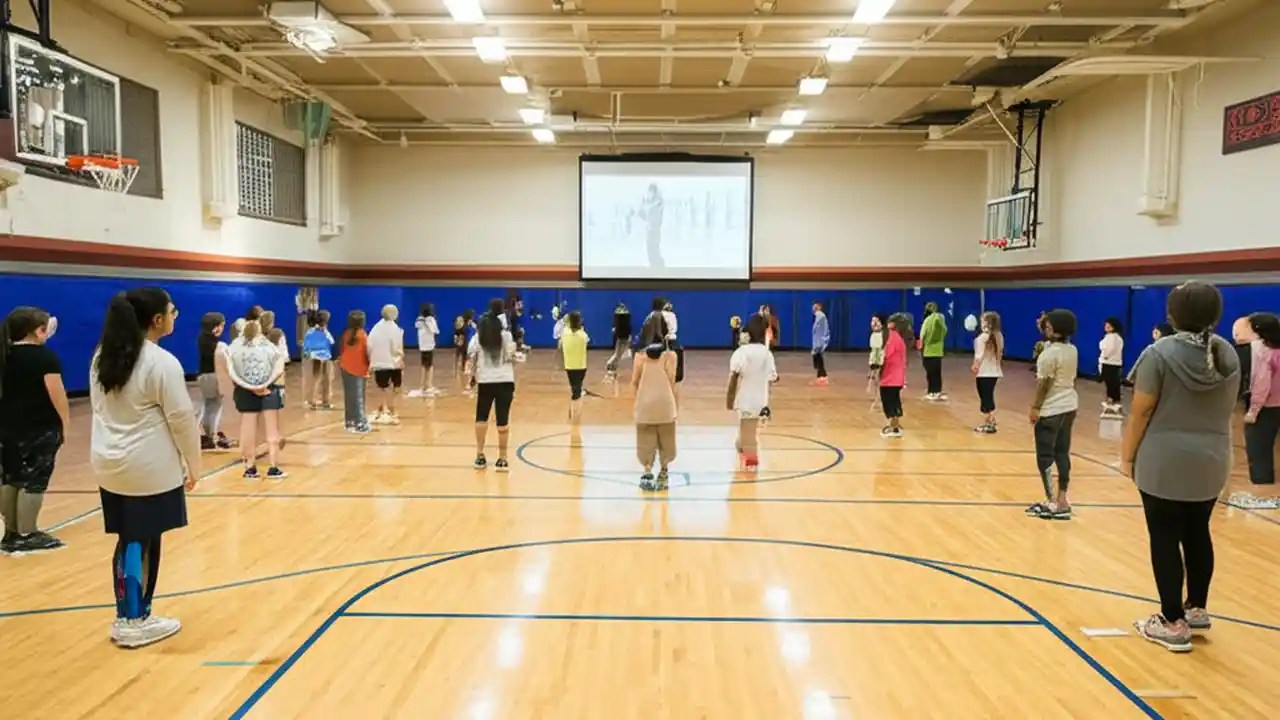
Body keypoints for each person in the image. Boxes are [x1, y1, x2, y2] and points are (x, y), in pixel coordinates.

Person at [1121, 281, 1239, 653]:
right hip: (1213, 458)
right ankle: (1197, 609)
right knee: (1198, 531)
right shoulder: (1228, 353)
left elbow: (1141, 411)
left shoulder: (1157, 353)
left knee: (1164, 536)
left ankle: (1172, 621)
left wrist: (1127, 457)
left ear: (1172, 314)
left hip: (1164, 460)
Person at [89, 287, 200, 649]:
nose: (175, 317)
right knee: (143, 539)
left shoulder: (102, 356)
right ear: (157, 320)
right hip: (147, 467)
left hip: (109, 462)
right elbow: (182, 418)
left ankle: (128, 615)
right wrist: (194, 463)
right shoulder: (160, 362)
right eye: (172, 311)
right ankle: (135, 619)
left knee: (129, 537)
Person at [0, 307, 70, 554]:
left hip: (6, 428)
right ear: (38, 331)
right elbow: (57, 396)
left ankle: (10, 532)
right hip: (40, 428)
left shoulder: (4, 355)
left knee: (11, 478)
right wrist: (65, 425)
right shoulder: (45, 358)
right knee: (35, 480)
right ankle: (27, 533)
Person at [1027, 309, 1079, 520]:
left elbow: (1044, 384)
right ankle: (1062, 499)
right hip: (1069, 406)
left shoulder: (1048, 355)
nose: (1045, 329)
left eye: (1048, 327)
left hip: (1051, 409)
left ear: (1055, 331)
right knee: (1062, 453)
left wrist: (1035, 407)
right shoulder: (1071, 349)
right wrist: (1045, 323)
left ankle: (1052, 501)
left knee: (1045, 456)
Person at [227, 321, 286, 480]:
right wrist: (264, 384)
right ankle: (273, 467)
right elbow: (279, 368)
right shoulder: (269, 347)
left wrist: (249, 386)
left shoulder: (234, 347)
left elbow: (231, 370)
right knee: (272, 430)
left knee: (248, 429)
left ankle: (250, 468)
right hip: (269, 390)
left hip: (244, 391)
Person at [468, 299, 517, 471]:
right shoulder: (507, 336)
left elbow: (471, 356)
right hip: (505, 381)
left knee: (481, 417)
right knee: (503, 420)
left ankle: (480, 456)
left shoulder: (478, 337)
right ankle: (502, 459)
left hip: (485, 381)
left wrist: (472, 376)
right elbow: (511, 357)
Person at [633, 314, 678, 491]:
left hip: (645, 402)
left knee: (645, 437)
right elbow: (672, 380)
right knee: (666, 438)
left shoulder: (640, 356)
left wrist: (637, 401)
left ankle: (647, 471)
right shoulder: (671, 356)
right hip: (665, 403)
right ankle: (664, 472)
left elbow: (634, 382)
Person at [728, 315, 778, 471]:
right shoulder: (767, 354)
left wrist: (729, 399)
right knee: (747, 428)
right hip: (761, 399)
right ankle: (742, 447)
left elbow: (734, 375)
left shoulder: (741, 352)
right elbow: (773, 376)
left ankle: (751, 460)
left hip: (745, 398)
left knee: (748, 430)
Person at [1243, 312, 1280, 487]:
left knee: (1259, 449)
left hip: (1267, 408)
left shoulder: (1262, 351)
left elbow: (1261, 385)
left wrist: (1253, 411)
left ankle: (1263, 491)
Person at [196, 312, 233, 451]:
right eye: (221, 325)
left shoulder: (201, 339)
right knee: (215, 408)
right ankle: (212, 436)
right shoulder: (219, 346)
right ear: (215, 327)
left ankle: (208, 435)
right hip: (215, 377)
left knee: (207, 406)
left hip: (203, 376)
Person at [368, 304, 405, 425]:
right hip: (393, 362)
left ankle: (383, 408)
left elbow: (369, 345)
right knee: (395, 386)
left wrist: (371, 360)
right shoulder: (395, 329)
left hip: (379, 363)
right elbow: (396, 347)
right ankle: (390, 409)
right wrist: (400, 357)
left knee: (382, 387)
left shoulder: (375, 328)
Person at [339, 311, 372, 434]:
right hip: (358, 369)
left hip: (345, 367)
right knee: (358, 397)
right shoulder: (362, 335)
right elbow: (366, 353)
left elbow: (342, 350)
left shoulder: (346, 333)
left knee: (349, 396)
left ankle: (350, 422)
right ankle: (360, 423)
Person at [972, 311, 1004, 434]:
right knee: (989, 396)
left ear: (987, 323)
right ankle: (991, 420)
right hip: (994, 372)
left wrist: (975, 365)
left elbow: (979, 355)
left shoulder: (982, 338)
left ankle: (988, 424)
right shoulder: (999, 336)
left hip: (984, 372)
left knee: (984, 397)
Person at [879, 313, 909, 438]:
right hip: (895, 376)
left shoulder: (893, 337)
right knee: (893, 400)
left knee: (890, 401)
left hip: (891, 377)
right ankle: (894, 425)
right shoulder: (898, 338)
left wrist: (876, 366)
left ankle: (894, 427)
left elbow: (886, 355)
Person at [301, 310, 335, 409]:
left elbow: (305, 345)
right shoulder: (325, 332)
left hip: (314, 358)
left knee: (315, 379)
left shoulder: (310, 332)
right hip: (326, 358)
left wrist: (308, 354)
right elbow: (332, 342)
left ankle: (313, 401)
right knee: (327, 379)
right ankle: (326, 401)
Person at [560, 311, 589, 424]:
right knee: (577, 389)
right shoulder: (583, 335)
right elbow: (587, 342)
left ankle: (573, 411)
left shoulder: (565, 333)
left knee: (575, 388)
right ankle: (575, 414)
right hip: (581, 366)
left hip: (569, 365)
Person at [920, 301, 948, 401]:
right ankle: (937, 391)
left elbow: (923, 334)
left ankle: (931, 392)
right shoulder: (941, 319)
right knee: (937, 373)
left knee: (930, 373)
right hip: (938, 351)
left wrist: (921, 346)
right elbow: (944, 331)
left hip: (928, 351)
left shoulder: (927, 320)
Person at [412, 304, 440, 398]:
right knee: (430, 366)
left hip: (422, 346)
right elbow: (435, 331)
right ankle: (429, 385)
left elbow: (416, 325)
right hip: (429, 346)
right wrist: (429, 322)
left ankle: (422, 385)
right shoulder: (430, 320)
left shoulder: (418, 320)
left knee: (423, 365)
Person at [1100, 317, 1125, 418]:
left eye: (1108, 326)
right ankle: (1115, 402)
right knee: (1114, 382)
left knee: (1110, 383)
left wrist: (1106, 356)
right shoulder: (1117, 337)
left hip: (1109, 363)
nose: (1106, 327)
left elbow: (1110, 349)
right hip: (1115, 363)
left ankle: (1111, 403)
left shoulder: (1112, 337)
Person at [605, 302, 632, 380]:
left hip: (621, 337)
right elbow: (625, 327)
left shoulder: (619, 317)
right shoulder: (623, 317)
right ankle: (610, 364)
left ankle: (613, 369)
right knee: (618, 354)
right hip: (622, 338)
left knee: (618, 354)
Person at [867, 313, 886, 410]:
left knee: (880, 381)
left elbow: (881, 351)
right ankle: (877, 399)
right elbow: (873, 351)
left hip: (881, 361)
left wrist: (880, 363)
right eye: (872, 321)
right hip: (875, 361)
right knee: (875, 381)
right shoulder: (873, 335)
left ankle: (879, 400)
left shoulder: (883, 336)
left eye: (877, 321)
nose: (874, 323)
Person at [811, 302, 830, 386]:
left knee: (819, 360)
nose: (813, 308)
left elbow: (823, 331)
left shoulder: (821, 316)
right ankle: (820, 377)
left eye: (814, 307)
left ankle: (823, 377)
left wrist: (823, 342)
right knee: (818, 360)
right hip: (817, 342)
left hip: (819, 342)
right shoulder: (818, 317)